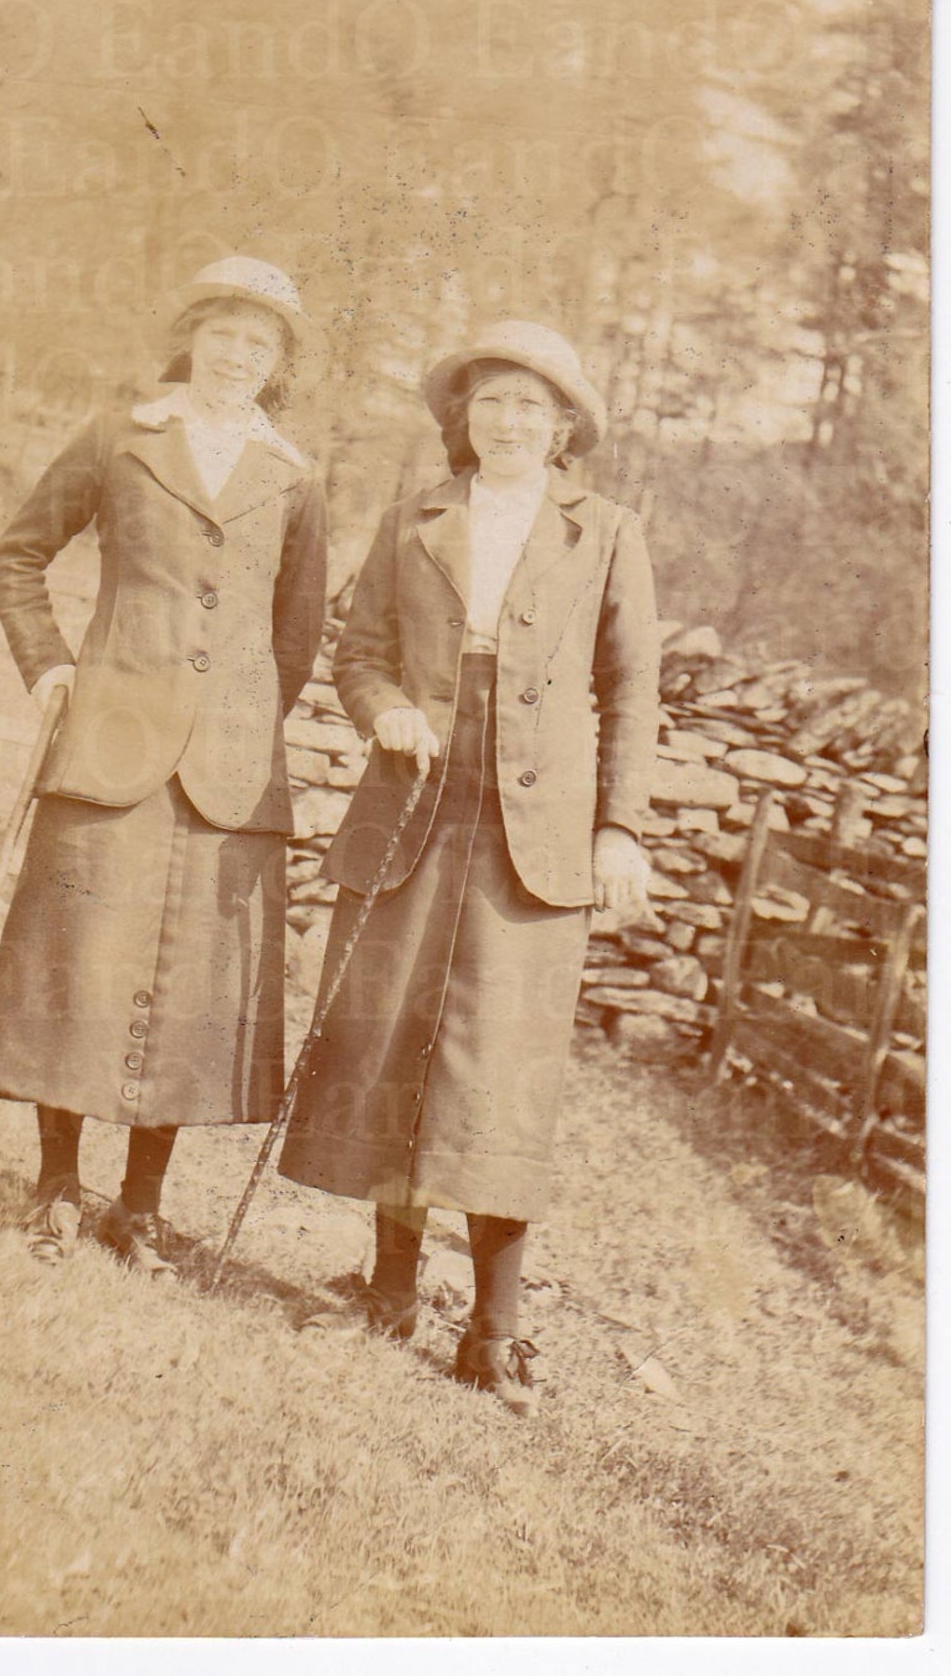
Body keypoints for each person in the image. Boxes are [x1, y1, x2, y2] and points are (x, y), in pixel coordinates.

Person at [278, 319, 659, 1413]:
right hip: (417, 799)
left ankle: (495, 1330)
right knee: (396, 1036)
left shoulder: (607, 532)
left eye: (533, 406)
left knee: (503, 1065)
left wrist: (620, 827)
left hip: (535, 830)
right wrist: (386, 709)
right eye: (491, 401)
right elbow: (359, 654)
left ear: (565, 427)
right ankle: (391, 1290)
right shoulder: (415, 519)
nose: (510, 422)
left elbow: (633, 688)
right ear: (463, 416)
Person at [0, 257, 328, 1272]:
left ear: (279, 364)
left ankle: (141, 1207)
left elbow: (296, 633)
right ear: (190, 338)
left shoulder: (294, 476)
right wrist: (52, 668)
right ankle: (56, 1188)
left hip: (225, 771)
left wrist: (239, 723)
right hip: (111, 747)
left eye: (259, 344)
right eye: (223, 334)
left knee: (187, 980)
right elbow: (18, 555)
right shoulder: (122, 437)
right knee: (80, 963)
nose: (238, 356)